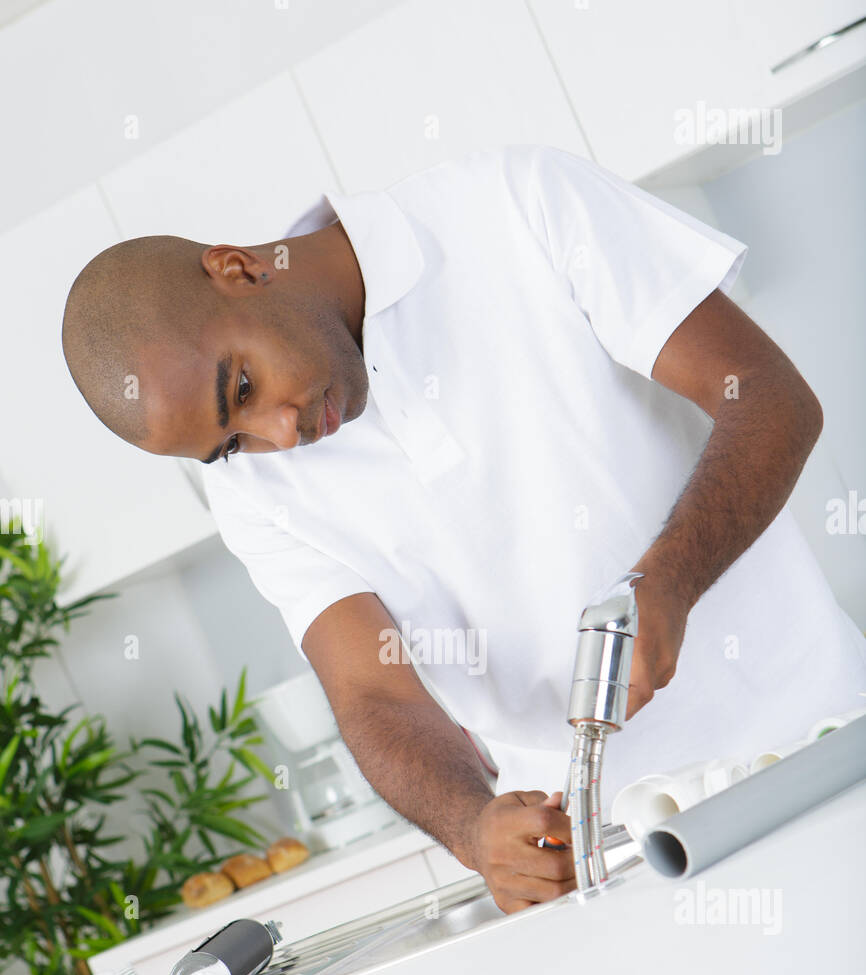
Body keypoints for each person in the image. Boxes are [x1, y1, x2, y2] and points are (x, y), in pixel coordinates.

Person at [62, 144, 866, 913]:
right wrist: (471, 826)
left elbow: (766, 397)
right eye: (232, 442)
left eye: (241, 384)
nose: (279, 434)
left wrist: (670, 581)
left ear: (238, 270)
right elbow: (373, 693)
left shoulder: (515, 206)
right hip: (610, 864)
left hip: (820, 750)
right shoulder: (252, 489)